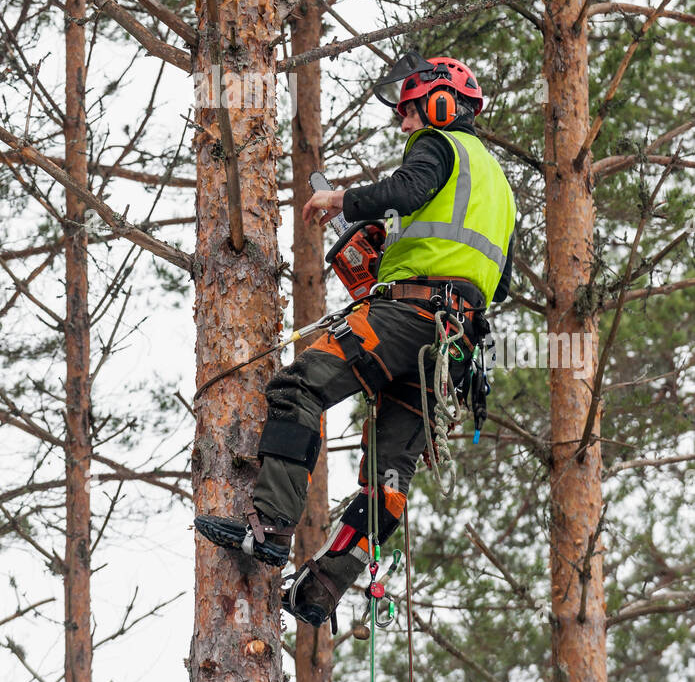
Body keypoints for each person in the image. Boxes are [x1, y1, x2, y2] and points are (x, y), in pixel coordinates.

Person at [194, 51, 516, 628]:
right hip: (450, 346)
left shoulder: (439, 146)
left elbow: (409, 189)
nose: (404, 123)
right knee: (388, 479)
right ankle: (321, 588)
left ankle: (268, 527)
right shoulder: (501, 190)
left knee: (299, 386)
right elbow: (498, 278)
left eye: (410, 110)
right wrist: (387, 251)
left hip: (409, 318)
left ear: (440, 103)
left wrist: (343, 201)